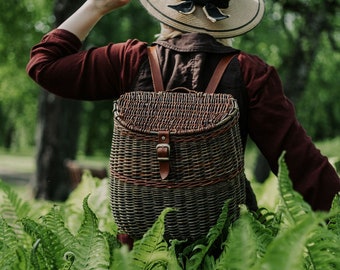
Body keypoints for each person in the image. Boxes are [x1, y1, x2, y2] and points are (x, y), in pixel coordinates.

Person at [27, 0, 339, 245]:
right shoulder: (250, 73)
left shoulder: (129, 60)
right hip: (227, 247)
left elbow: (44, 64)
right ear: (228, 14)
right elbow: (303, 170)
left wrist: (98, 5)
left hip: (139, 250)